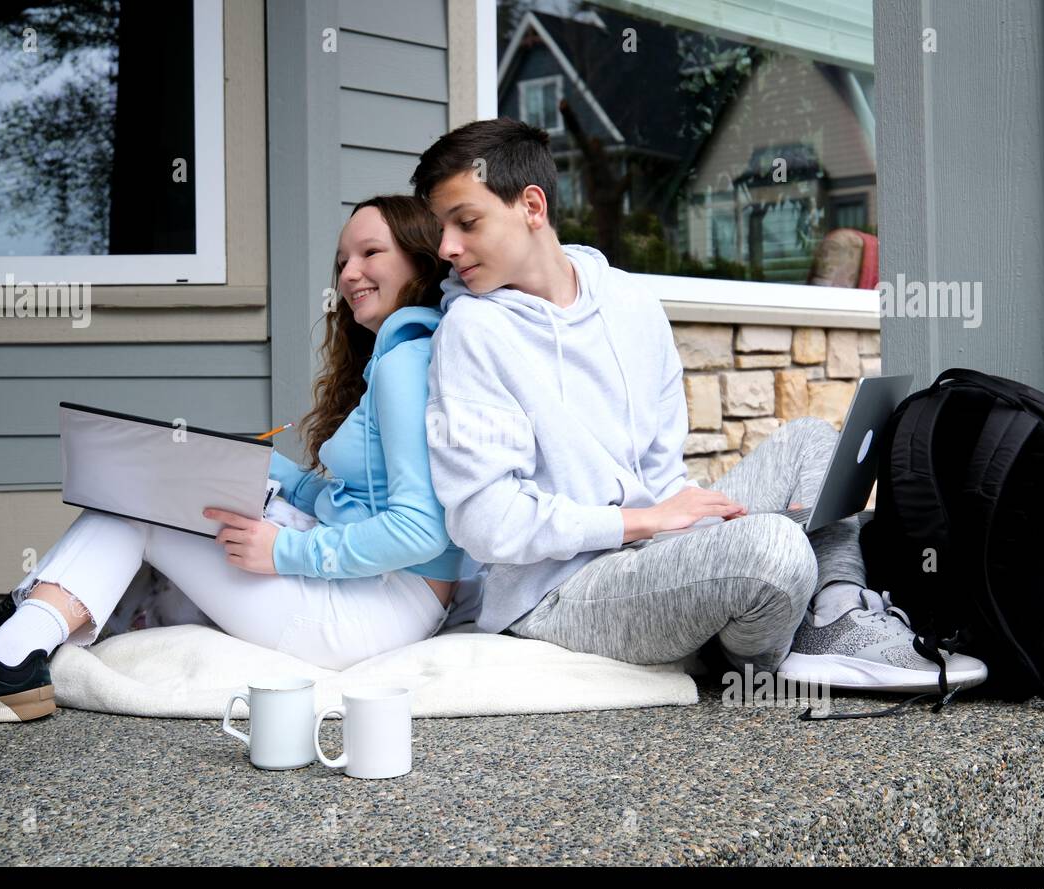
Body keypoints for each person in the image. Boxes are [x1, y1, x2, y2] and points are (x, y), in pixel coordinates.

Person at [410, 118, 986, 692]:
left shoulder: (631, 303)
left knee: (811, 442)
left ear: (531, 207)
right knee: (775, 549)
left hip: (655, 550)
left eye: (466, 222)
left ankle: (835, 612)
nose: (447, 248)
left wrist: (686, 526)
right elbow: (484, 522)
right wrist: (644, 521)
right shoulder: (472, 332)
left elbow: (662, 473)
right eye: (443, 229)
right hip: (558, 592)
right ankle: (775, 627)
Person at [0, 195, 468, 722]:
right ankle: (25, 628)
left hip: (376, 613)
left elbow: (420, 529)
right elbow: (368, 502)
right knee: (174, 491)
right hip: (381, 593)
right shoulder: (400, 356)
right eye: (342, 259)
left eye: (371, 253)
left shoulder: (403, 364)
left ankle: (12, 651)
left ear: (420, 261)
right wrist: (282, 479)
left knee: (145, 502)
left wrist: (287, 551)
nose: (349, 273)